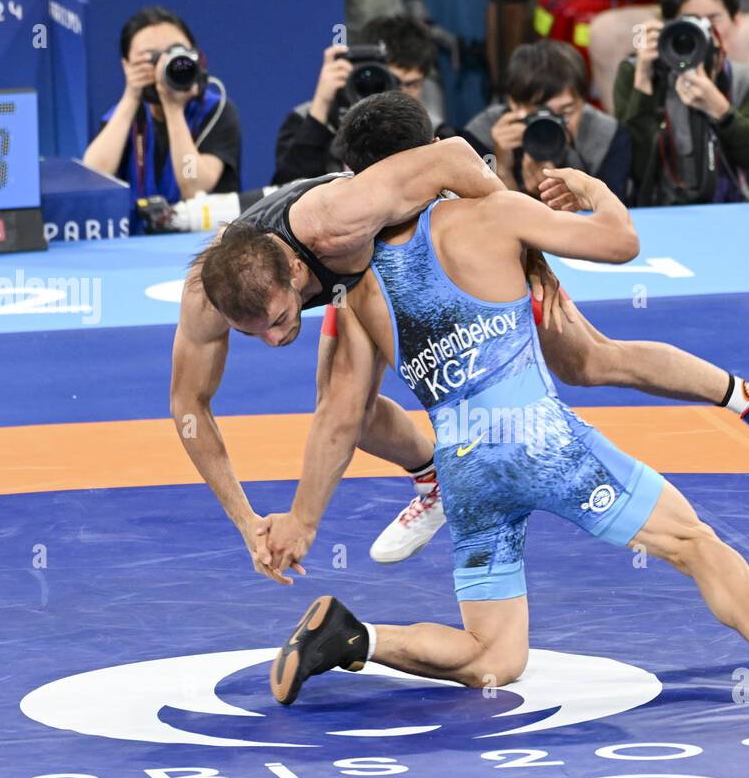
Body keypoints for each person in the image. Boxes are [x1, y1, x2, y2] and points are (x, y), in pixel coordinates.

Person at [257, 135, 749, 705]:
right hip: (543, 446)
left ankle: (354, 637)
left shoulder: (354, 291)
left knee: (493, 657)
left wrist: (304, 520)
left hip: (466, 472)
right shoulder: (492, 215)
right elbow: (621, 243)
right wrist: (591, 191)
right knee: (691, 542)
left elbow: (342, 419)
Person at [171, 134, 507, 575]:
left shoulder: (338, 219)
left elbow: (454, 155)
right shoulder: (206, 297)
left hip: (394, 240)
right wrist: (246, 522)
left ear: (293, 270)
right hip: (346, 277)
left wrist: (525, 247)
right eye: (252, 334)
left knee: (342, 409)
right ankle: (439, 479)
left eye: (278, 320)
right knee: (353, 418)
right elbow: (187, 405)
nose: (274, 342)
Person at [613, 0, 749, 205]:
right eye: (690, 20)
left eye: (713, 19)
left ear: (736, 22)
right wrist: (644, 82)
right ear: (668, 25)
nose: (703, 30)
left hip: (732, 207)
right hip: (656, 207)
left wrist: (720, 110)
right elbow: (633, 167)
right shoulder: (635, 71)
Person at [83, 6, 241, 215]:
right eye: (152, 58)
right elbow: (92, 180)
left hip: (207, 239)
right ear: (127, 65)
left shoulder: (216, 110)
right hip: (136, 242)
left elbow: (194, 189)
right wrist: (131, 97)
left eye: (176, 52)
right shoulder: (119, 118)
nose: (165, 64)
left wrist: (173, 108)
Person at [272, 14, 451, 185]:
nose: (399, 94)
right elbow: (286, 193)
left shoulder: (436, 132)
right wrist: (321, 105)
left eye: (411, 85)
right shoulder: (306, 119)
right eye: (389, 81)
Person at [463, 40, 633, 202]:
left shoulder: (607, 138)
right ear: (513, 103)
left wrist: (569, 194)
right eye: (540, 112)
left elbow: (614, 218)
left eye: (566, 112)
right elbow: (479, 220)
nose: (552, 123)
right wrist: (503, 171)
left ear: (583, 103)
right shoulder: (481, 136)